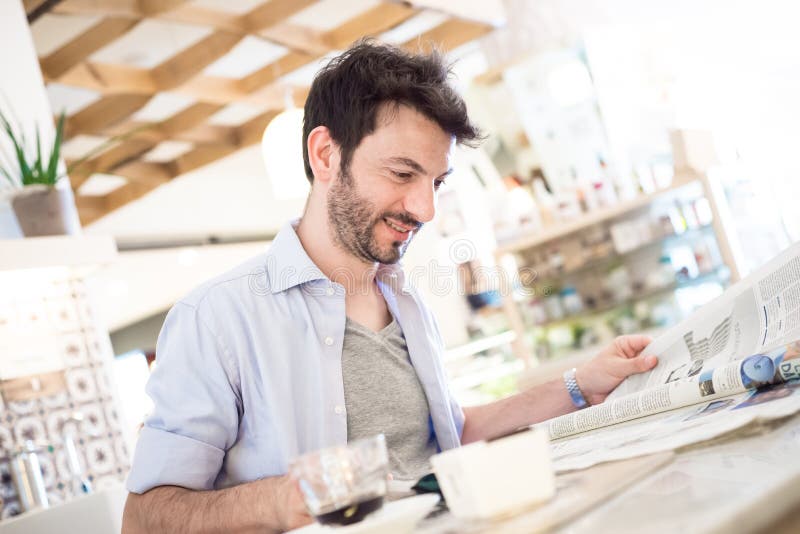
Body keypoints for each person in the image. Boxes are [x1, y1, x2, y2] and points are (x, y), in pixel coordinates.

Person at [121, 41, 658, 533]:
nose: (425, 208)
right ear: (325, 155)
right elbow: (144, 518)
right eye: (403, 174)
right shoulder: (217, 318)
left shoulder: (405, 298)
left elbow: (449, 434)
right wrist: (290, 499)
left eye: (436, 182)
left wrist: (578, 386)